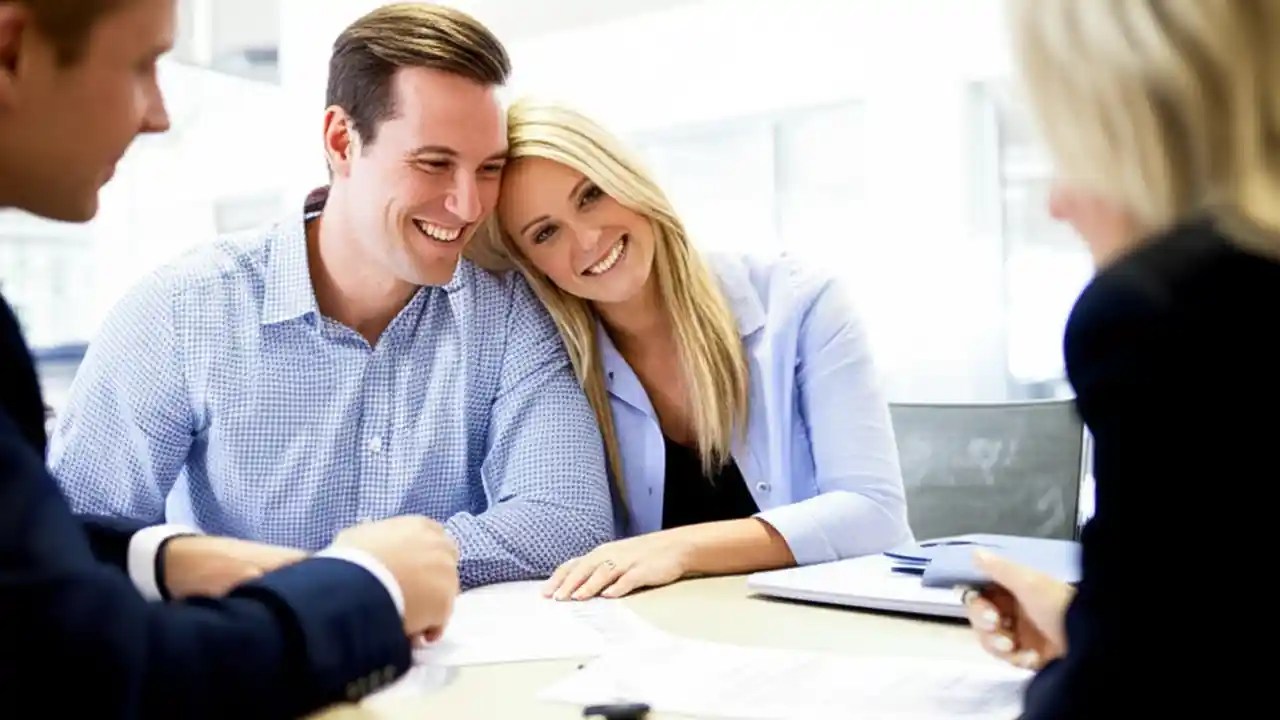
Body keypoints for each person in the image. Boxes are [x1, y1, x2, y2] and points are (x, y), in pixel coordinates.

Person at [46, 2, 615, 590]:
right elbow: (75, 538)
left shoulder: (508, 313)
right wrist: (357, 579)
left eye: (489, 168)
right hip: (247, 670)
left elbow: (566, 522)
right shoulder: (182, 313)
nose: (469, 206)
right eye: (434, 163)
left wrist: (330, 576)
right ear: (342, 141)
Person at [0, 0, 463, 716]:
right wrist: (367, 584)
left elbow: (33, 582)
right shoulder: (183, 305)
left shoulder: (492, 306)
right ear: (8, 52)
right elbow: (96, 678)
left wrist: (163, 558)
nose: (158, 115)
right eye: (141, 65)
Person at [963, 0, 1280, 716]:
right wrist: (1091, 618)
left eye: (1071, 144)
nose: (1056, 204)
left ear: (1136, 120)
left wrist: (1086, 661)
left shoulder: (1168, 310)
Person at [477, 98, 913, 601]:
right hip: (676, 642)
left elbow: (873, 512)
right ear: (533, 264)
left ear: (627, 179)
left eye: (591, 195)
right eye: (546, 232)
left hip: (840, 624)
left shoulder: (802, 305)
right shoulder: (554, 369)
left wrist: (678, 548)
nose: (589, 238)